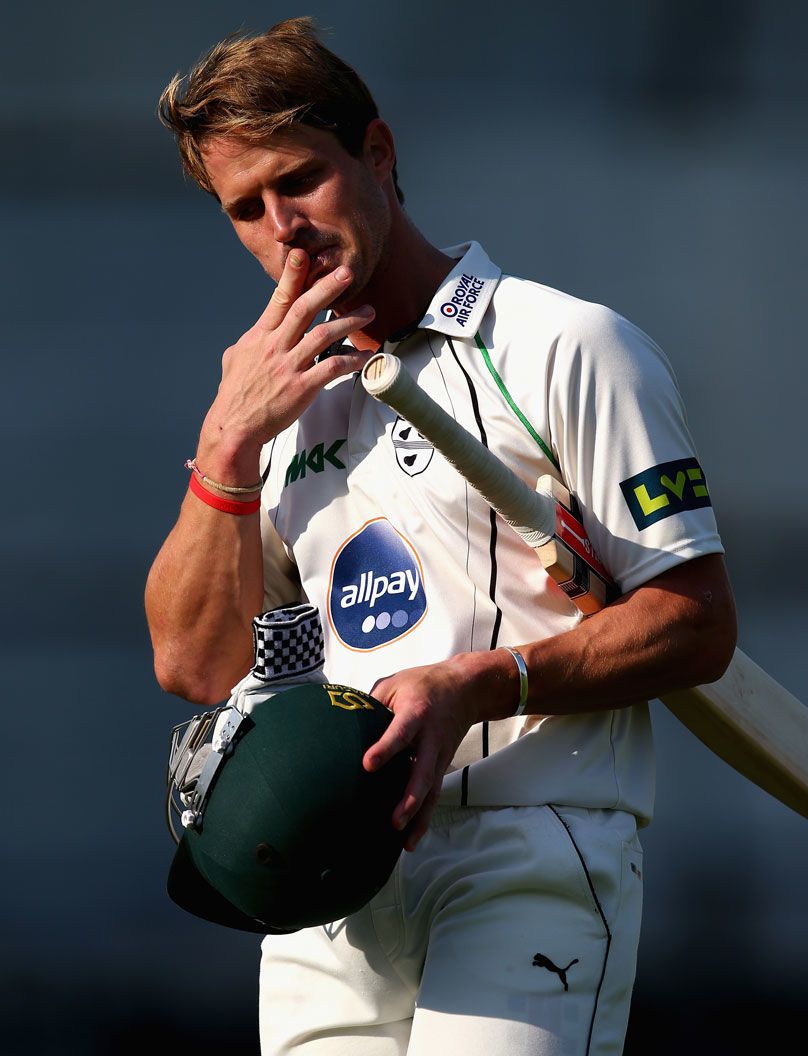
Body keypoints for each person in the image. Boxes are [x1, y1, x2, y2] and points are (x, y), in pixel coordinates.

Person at [146, 16, 737, 1056]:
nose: (283, 227)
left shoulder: (566, 344)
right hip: (328, 880)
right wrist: (225, 445)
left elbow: (696, 624)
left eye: (301, 180)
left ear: (377, 153)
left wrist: (476, 684)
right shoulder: (266, 402)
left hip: (528, 845)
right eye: (245, 207)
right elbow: (196, 664)